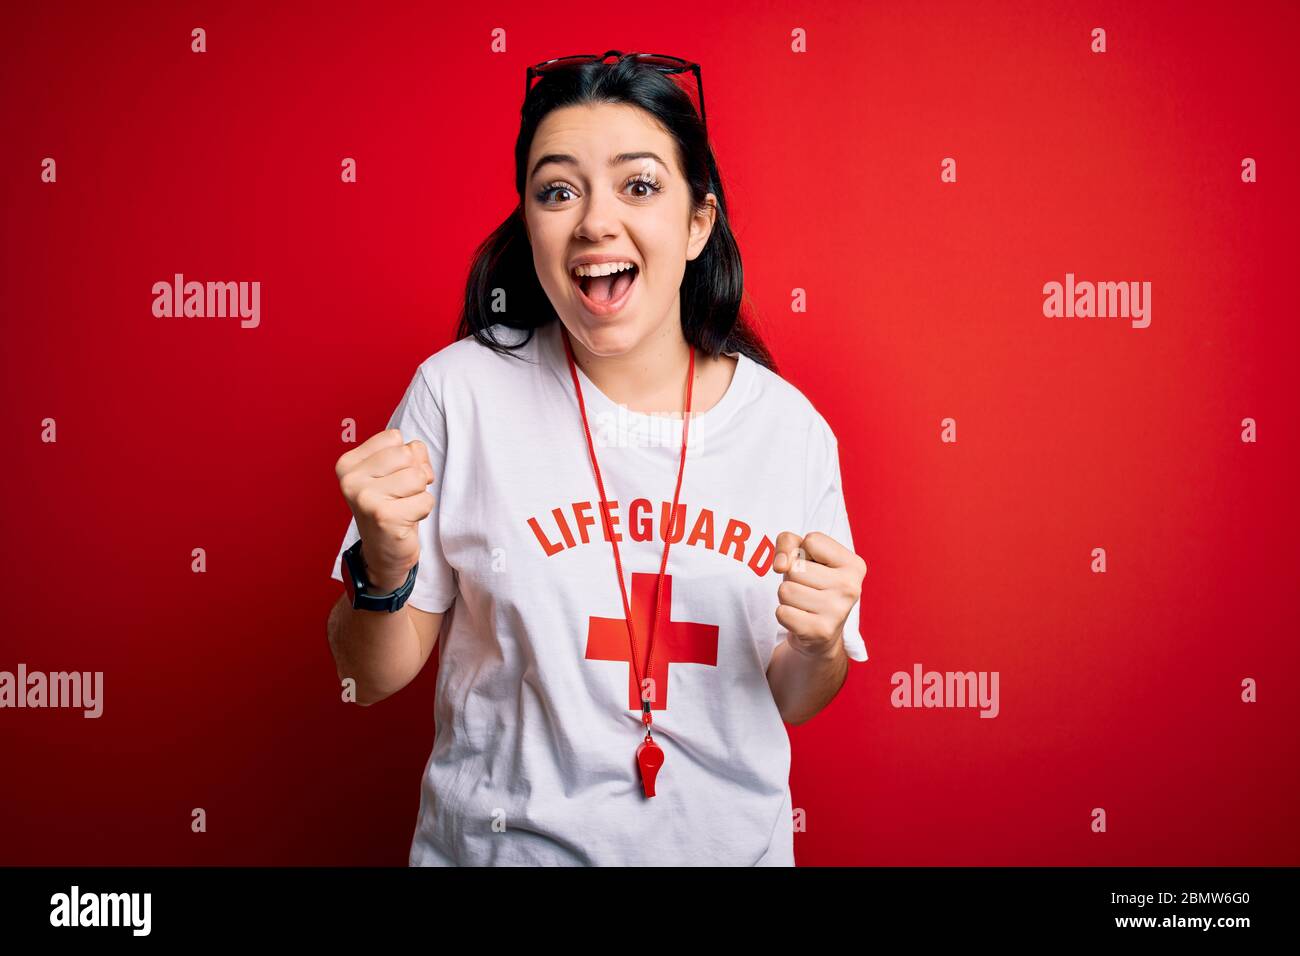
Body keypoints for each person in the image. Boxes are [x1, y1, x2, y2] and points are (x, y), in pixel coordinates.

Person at [326, 51, 868, 866]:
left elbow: (796, 698)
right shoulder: (458, 393)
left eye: (639, 185)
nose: (594, 222)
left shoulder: (788, 432)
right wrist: (385, 563)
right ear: (531, 223)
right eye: (557, 190)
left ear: (697, 224)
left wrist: (822, 644)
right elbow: (367, 676)